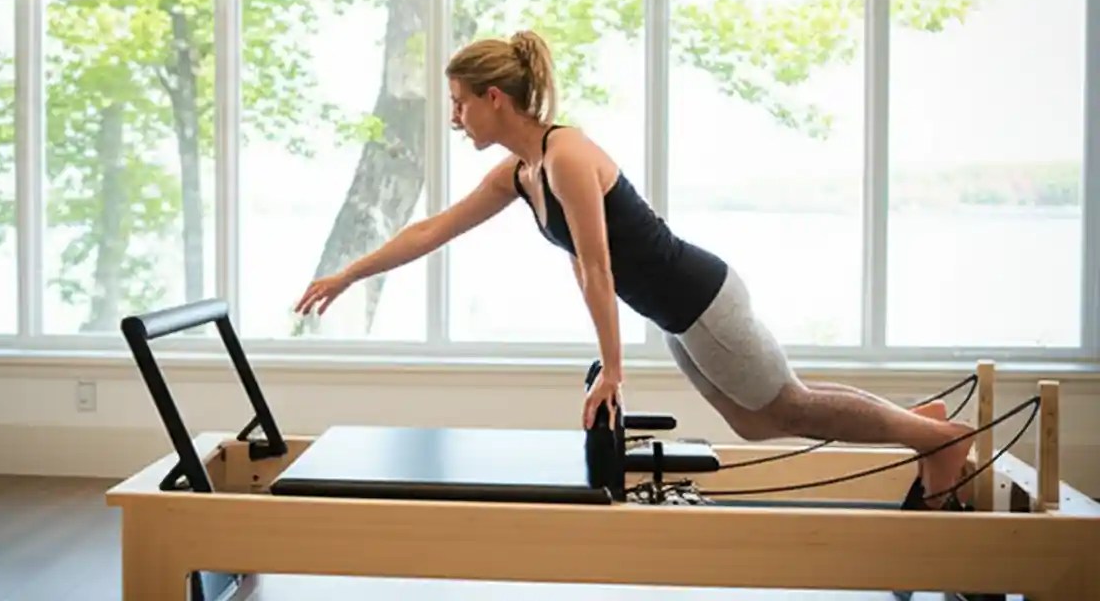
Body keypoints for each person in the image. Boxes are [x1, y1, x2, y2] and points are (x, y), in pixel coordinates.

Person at [294, 29, 976, 507]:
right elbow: (433, 229)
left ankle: (941, 440)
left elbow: (596, 268)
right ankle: (922, 421)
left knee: (787, 405)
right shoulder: (522, 173)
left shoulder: (565, 156)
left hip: (703, 301)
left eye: (459, 103)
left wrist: (615, 369)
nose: (454, 118)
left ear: (494, 99)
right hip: (679, 315)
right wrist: (349, 273)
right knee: (758, 420)